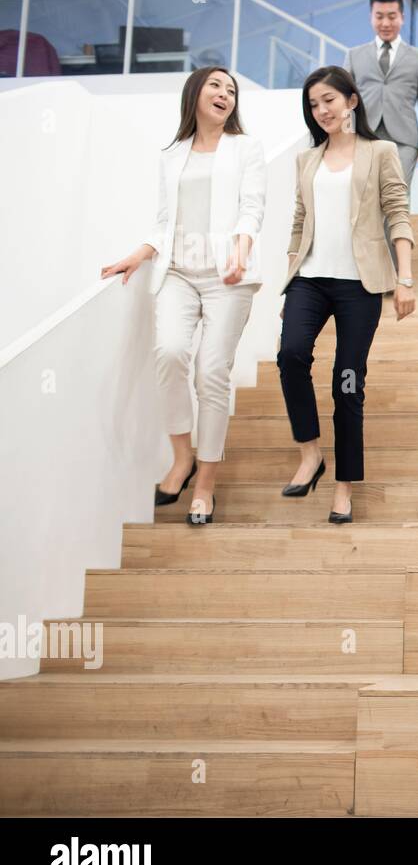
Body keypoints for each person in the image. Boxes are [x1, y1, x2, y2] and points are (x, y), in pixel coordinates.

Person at [100, 66, 266, 526]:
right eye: (216, 85)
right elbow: (162, 221)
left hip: (228, 277)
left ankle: (206, 484)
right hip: (177, 271)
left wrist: (240, 250)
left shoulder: (246, 148)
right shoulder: (171, 155)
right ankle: (181, 457)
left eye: (232, 89)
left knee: (211, 370)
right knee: (170, 352)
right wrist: (138, 255)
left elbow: (253, 208)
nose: (225, 93)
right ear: (194, 93)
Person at [277, 66, 416, 523]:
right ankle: (311, 452)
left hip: (360, 284)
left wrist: (405, 277)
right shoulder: (306, 160)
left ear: (351, 101)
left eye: (329, 101)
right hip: (310, 280)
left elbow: (397, 211)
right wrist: (290, 272)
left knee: (347, 384)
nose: (321, 111)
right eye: (314, 105)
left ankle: (343, 486)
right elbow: (299, 222)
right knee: (291, 355)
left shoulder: (380, 152)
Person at [343, 0, 418, 186]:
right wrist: (344, 137)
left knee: (396, 198)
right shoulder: (354, 55)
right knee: (366, 199)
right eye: (379, 16)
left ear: (402, 17)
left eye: (392, 16)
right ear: (371, 17)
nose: (386, 23)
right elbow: (345, 103)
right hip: (364, 136)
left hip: (404, 141)